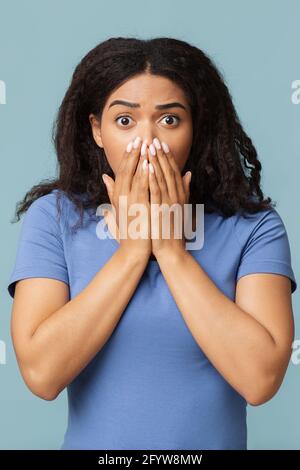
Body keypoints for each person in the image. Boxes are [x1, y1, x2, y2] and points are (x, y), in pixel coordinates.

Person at [7, 37, 297, 450]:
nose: (147, 142)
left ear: (196, 129)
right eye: (124, 121)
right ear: (97, 130)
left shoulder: (254, 226)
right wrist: (132, 251)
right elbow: (42, 375)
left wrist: (171, 251)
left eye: (169, 120)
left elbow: (261, 380)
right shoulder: (53, 219)